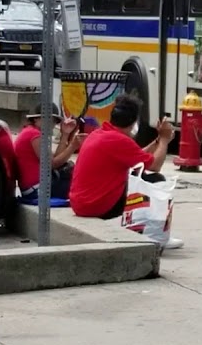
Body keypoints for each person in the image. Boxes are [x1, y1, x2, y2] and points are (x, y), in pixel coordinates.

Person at [68, 94, 183, 249]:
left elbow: (137, 156)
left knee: (139, 175)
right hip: (95, 206)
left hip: (81, 203)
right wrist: (163, 139)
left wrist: (158, 141)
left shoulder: (100, 134)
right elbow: (154, 166)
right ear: (133, 123)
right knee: (155, 180)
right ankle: (156, 235)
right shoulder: (118, 140)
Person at [14, 103, 80, 202]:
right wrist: (72, 147)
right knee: (80, 184)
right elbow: (51, 164)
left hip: (38, 186)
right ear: (36, 119)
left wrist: (65, 134)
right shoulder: (33, 134)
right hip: (37, 189)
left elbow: (56, 159)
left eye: (54, 121)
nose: (52, 124)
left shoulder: (30, 132)